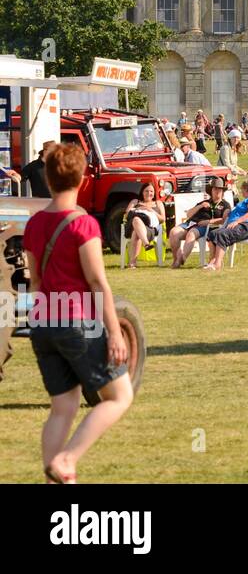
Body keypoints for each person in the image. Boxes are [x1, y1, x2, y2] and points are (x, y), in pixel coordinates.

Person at [25, 142, 134, 483]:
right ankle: (67, 461)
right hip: (78, 321)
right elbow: (97, 282)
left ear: (48, 177)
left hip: (43, 321)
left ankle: (55, 479)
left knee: (62, 408)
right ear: (83, 178)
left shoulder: (34, 224)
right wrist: (115, 331)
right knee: (119, 396)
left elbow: (36, 280)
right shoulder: (83, 224)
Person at [168, 177, 232, 268]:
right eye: (215, 189)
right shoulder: (204, 202)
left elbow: (224, 219)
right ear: (211, 190)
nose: (217, 191)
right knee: (173, 232)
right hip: (190, 223)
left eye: (219, 189)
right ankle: (176, 259)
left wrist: (209, 221)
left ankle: (182, 258)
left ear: (222, 191)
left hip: (203, 226)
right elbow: (189, 214)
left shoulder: (225, 205)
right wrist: (200, 206)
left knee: (192, 233)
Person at [204, 178, 248, 272]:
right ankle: (212, 261)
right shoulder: (245, 201)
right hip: (239, 225)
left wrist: (237, 221)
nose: (241, 191)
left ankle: (217, 264)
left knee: (222, 234)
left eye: (242, 189)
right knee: (213, 234)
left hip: (247, 226)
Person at [123, 183, 166, 269]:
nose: (149, 193)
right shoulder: (135, 202)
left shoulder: (158, 203)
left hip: (149, 229)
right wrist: (138, 209)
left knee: (136, 232)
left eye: (151, 191)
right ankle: (146, 243)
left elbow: (162, 219)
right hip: (131, 227)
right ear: (142, 192)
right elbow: (127, 214)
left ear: (154, 193)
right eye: (146, 191)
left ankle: (132, 263)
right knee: (136, 220)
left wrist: (150, 210)